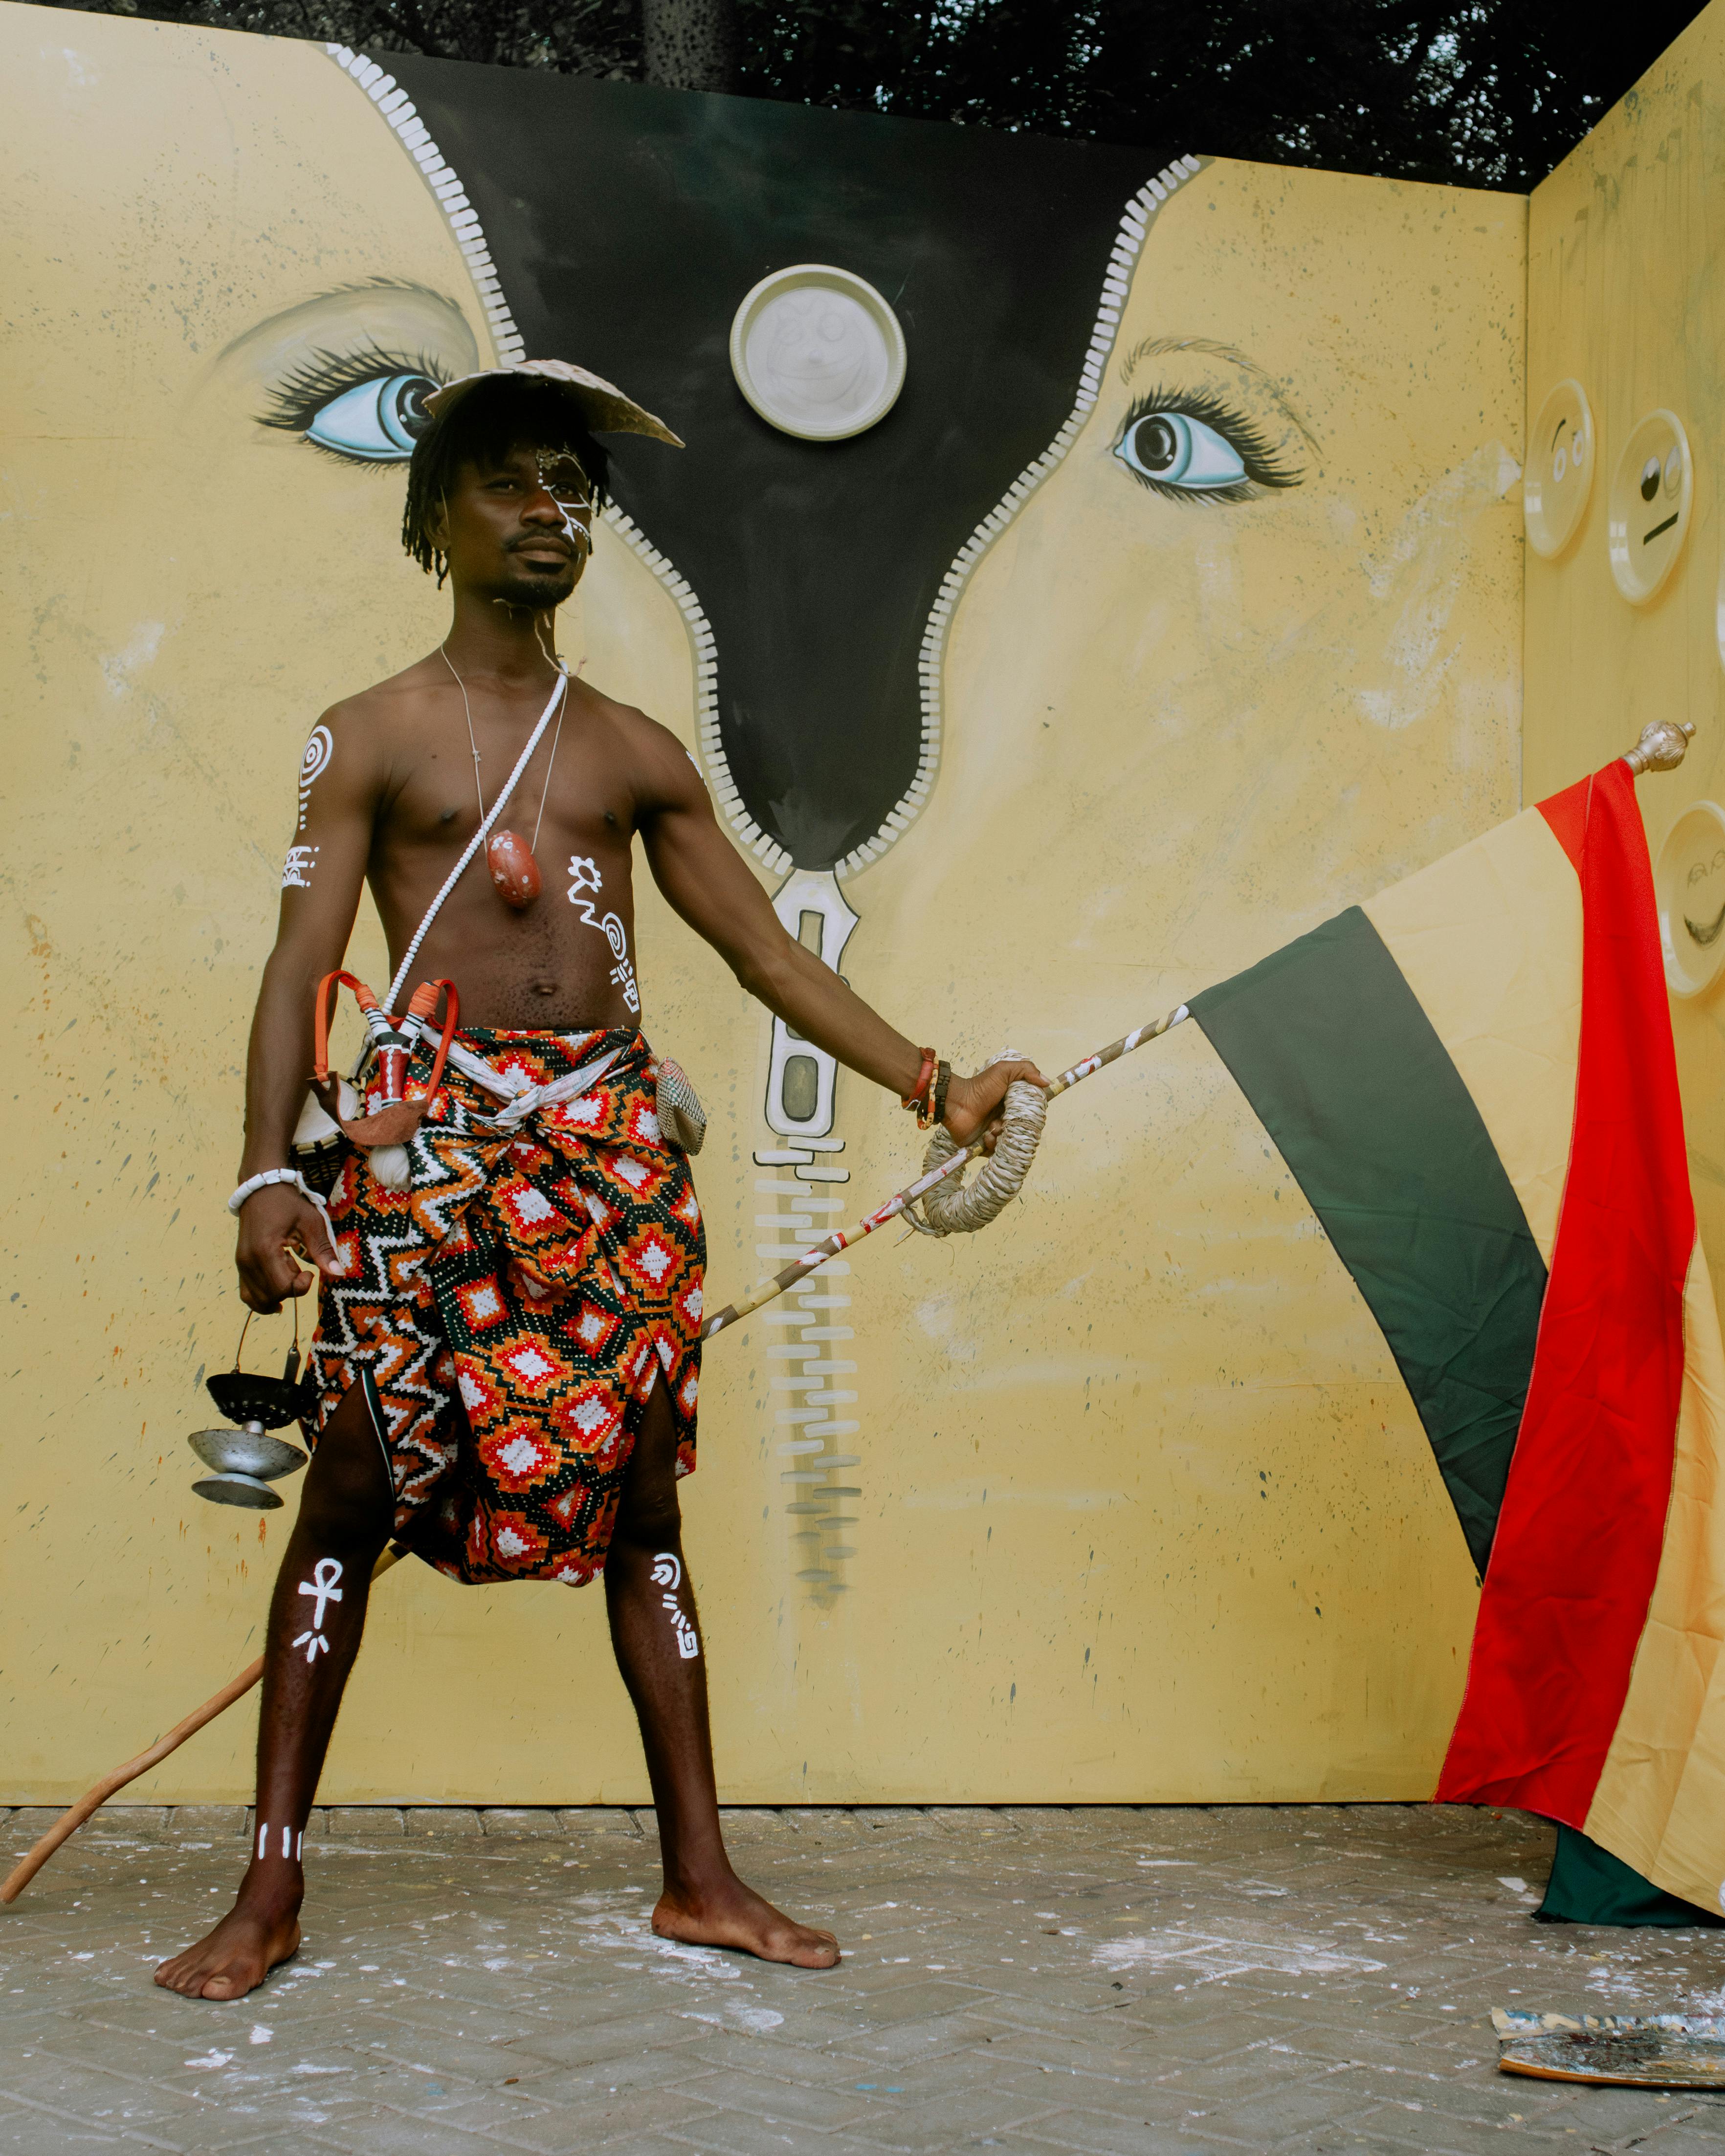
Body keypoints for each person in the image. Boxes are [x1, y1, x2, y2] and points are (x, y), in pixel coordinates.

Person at [153, 362, 1044, 2001]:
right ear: (435, 519)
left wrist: (936, 1080)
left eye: (569, 484)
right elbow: (298, 966)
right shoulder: (369, 733)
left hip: (617, 1161)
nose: (547, 508)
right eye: (507, 481)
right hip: (425, 1160)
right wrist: (262, 1176)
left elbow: (767, 950)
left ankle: (699, 1875)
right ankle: (267, 1890)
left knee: (643, 1508)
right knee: (351, 1488)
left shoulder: (633, 748)